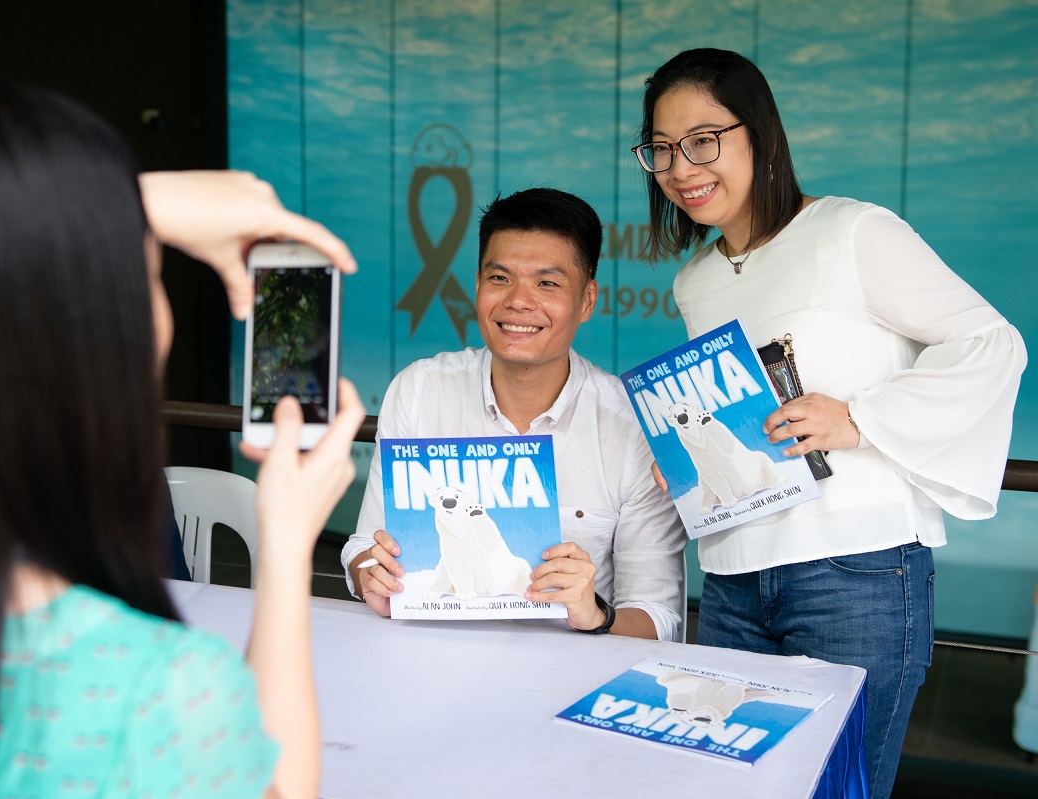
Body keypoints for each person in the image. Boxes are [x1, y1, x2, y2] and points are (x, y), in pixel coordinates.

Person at [0, 82, 364, 799]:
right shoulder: (162, 692)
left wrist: (124, 211)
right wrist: (286, 543)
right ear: (103, 336)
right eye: (146, 273)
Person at [635, 48, 1026, 798]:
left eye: (703, 141)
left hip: (856, 571)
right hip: (731, 577)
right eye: (661, 148)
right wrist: (687, 455)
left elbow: (991, 343)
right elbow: (743, 426)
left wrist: (858, 419)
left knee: (836, 788)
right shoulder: (696, 281)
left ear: (760, 134)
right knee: (728, 787)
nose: (681, 168)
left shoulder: (853, 231)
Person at [341, 188, 686, 640]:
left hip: (570, 667)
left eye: (547, 283)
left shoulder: (634, 424)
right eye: (500, 278)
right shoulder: (421, 390)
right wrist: (371, 573)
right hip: (432, 653)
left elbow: (658, 619)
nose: (519, 302)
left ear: (587, 300)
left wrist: (596, 613)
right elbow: (365, 545)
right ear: (478, 285)